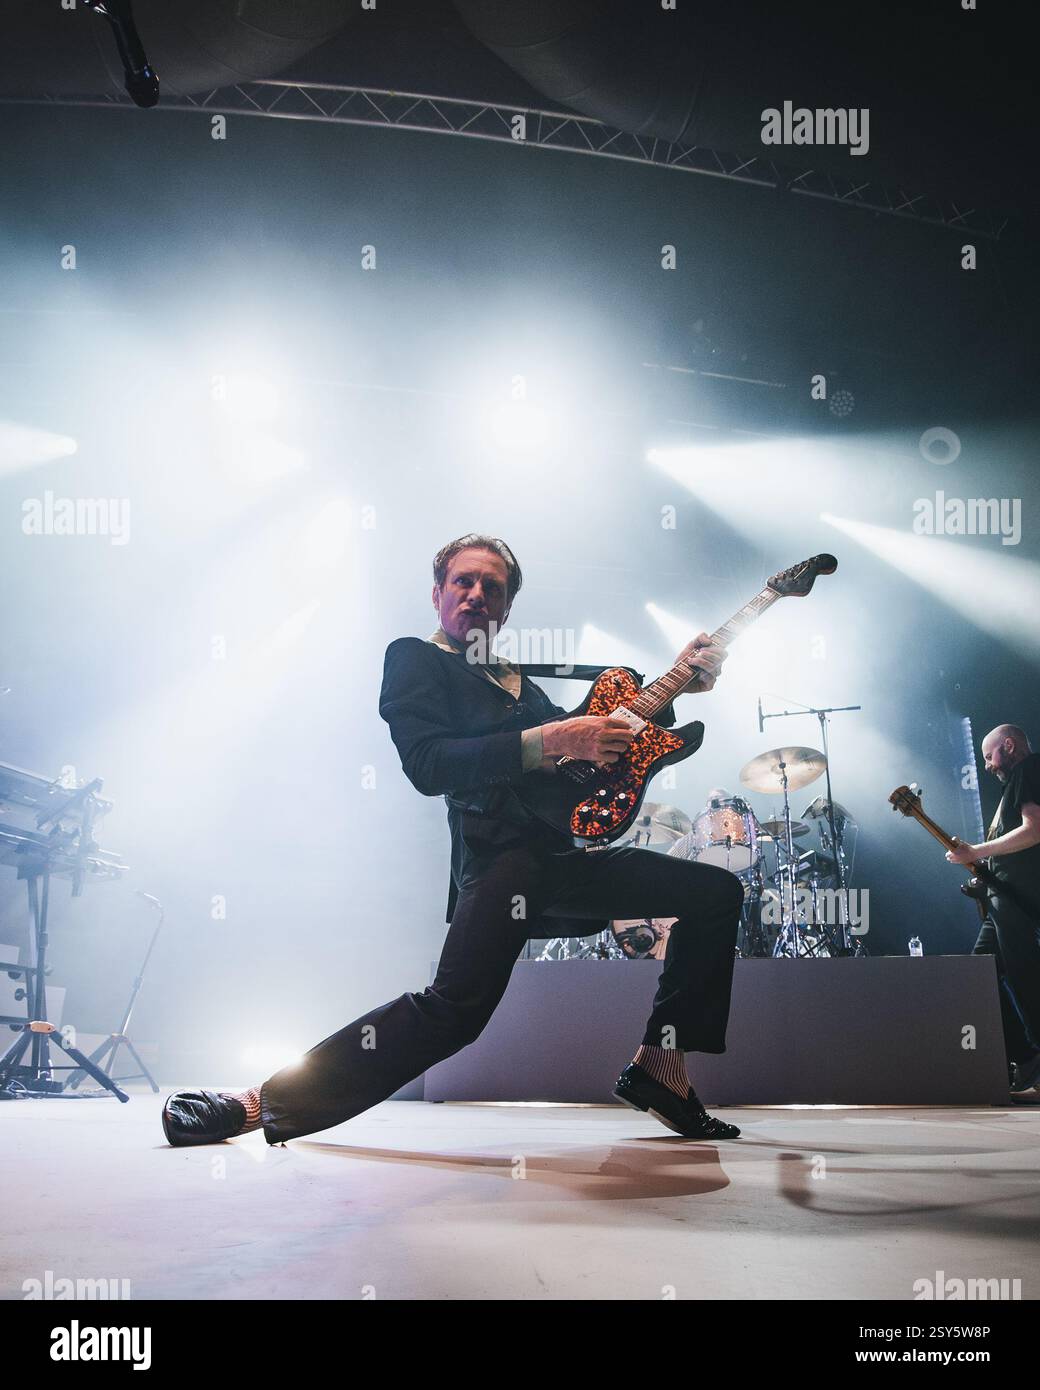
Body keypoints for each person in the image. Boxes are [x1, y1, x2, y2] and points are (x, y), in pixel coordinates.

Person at [162, 533, 745, 1147]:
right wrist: (552, 740)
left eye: (491, 587)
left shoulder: (525, 684)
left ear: (507, 607)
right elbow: (428, 764)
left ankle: (661, 1067)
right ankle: (258, 1103)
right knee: (453, 1010)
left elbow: (587, 763)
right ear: (438, 594)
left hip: (566, 860)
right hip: (504, 864)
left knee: (715, 892)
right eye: (463, 582)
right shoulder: (416, 658)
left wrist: (675, 690)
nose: (475, 595)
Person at [947, 724, 1040, 1097]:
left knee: (1026, 980)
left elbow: (1035, 831)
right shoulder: (1014, 785)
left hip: (1018, 903)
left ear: (1010, 745)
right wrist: (983, 879)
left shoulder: (1028, 770)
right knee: (977, 978)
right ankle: (1026, 1057)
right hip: (1003, 900)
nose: (987, 765)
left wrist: (976, 852)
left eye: (989, 756)